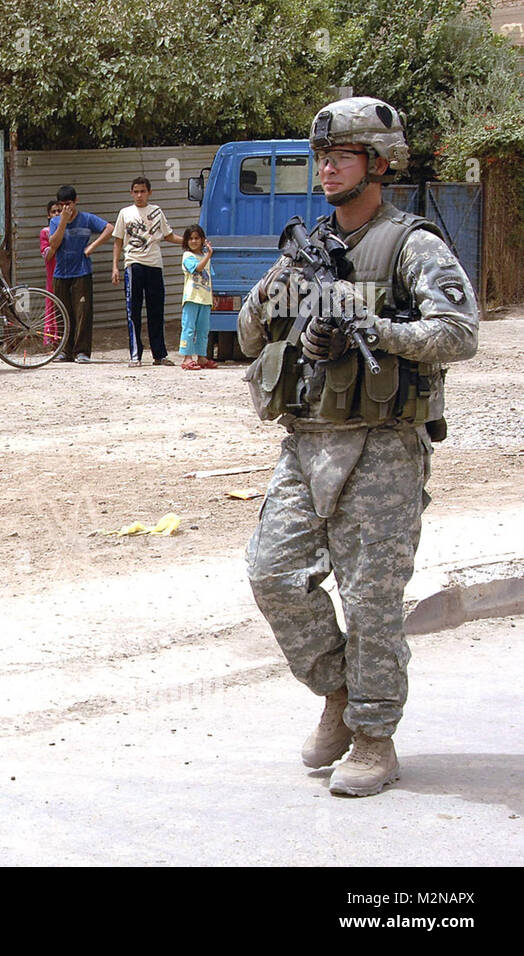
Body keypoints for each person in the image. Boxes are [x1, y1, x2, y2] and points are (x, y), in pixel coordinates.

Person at [238, 96, 478, 797]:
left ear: (378, 164)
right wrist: (277, 296)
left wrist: (375, 327)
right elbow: (251, 339)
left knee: (371, 601)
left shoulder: (412, 244)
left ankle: (375, 738)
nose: (327, 167)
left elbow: (458, 334)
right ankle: (337, 694)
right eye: (321, 157)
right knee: (272, 574)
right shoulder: (309, 248)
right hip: (306, 445)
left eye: (341, 156)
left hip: (381, 450)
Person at [112, 176, 184, 366]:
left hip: (154, 264)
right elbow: (118, 240)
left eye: (143, 191)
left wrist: (191, 242)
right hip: (133, 264)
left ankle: (159, 354)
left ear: (149, 192)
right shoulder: (125, 213)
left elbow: (168, 236)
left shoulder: (157, 212)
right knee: (133, 311)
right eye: (136, 191)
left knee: (156, 311)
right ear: (131, 193)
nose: (139, 195)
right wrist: (115, 267)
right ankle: (135, 354)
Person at [47, 186, 114, 363]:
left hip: (81, 272)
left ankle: (81, 351)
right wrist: (62, 221)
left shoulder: (87, 218)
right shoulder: (55, 221)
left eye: (68, 204)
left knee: (82, 312)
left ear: (75, 201)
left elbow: (109, 229)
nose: (65, 208)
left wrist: (92, 246)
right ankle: (64, 350)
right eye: (61, 205)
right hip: (61, 273)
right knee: (62, 311)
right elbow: (53, 245)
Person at [178, 225, 217, 370]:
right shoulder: (188, 256)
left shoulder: (205, 257)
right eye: (191, 238)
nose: (194, 241)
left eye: (197, 238)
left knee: (203, 329)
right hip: (192, 298)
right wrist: (208, 254)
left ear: (202, 240)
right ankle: (187, 358)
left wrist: (212, 296)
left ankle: (201, 357)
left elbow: (208, 277)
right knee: (189, 327)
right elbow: (198, 268)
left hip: (205, 299)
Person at [38, 199, 60, 342]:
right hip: (53, 275)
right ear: (48, 215)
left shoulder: (68, 229)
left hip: (69, 273)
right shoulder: (45, 232)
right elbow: (47, 254)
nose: (57, 214)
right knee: (52, 307)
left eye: (59, 211)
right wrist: (56, 240)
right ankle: (53, 341)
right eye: (53, 212)